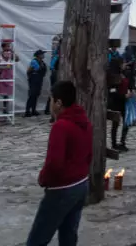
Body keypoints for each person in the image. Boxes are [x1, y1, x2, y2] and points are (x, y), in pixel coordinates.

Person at [25, 80, 93, 246]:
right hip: (82, 184)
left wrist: (43, 179)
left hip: (62, 188)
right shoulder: (85, 122)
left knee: (38, 238)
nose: (50, 104)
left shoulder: (61, 126)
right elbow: (89, 154)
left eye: (51, 100)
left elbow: (54, 163)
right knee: (69, 235)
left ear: (58, 102)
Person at [107, 58, 130, 152]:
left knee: (126, 122)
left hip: (124, 102)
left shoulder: (124, 74)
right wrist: (124, 96)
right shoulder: (113, 76)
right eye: (123, 63)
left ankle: (122, 142)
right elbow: (112, 92)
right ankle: (114, 144)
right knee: (115, 124)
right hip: (116, 102)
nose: (125, 64)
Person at [0, 40, 19, 117]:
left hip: (8, 75)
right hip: (0, 74)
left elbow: (17, 59)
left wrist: (13, 52)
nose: (9, 47)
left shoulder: (10, 54)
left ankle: (5, 109)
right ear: (3, 47)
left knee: (6, 93)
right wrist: (4, 67)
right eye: (7, 46)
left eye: (9, 46)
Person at [26, 50, 48, 118]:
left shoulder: (42, 62)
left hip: (39, 79)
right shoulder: (34, 61)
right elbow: (30, 71)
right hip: (34, 80)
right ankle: (27, 111)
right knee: (32, 95)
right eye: (42, 54)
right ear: (38, 55)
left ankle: (33, 110)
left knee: (36, 95)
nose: (43, 55)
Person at [45, 41, 61, 118]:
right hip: (55, 74)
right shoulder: (56, 55)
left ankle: (50, 111)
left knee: (54, 94)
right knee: (54, 93)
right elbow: (52, 67)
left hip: (56, 74)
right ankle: (50, 112)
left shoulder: (56, 54)